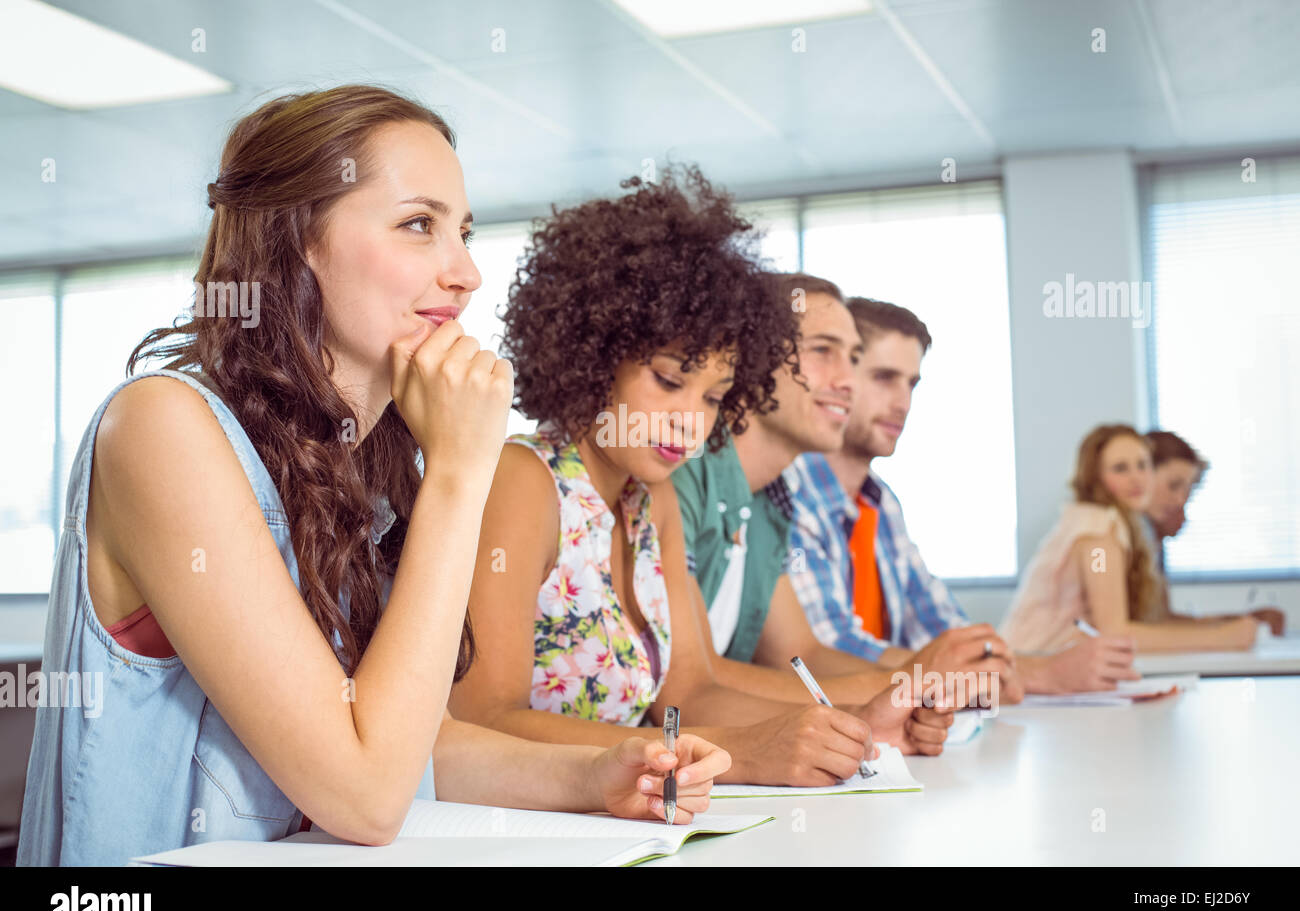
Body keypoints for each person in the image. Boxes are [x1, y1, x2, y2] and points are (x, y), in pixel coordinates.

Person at [17, 86, 729, 867]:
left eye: (462, 232)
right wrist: (461, 474)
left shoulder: (374, 463)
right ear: (298, 244)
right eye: (418, 225)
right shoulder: (161, 427)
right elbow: (364, 795)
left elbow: (412, 749)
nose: (465, 274)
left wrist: (594, 775)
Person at [452, 201, 952, 788]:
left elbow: (689, 692)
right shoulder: (522, 479)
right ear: (594, 358)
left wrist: (853, 725)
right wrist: (739, 750)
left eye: (713, 397)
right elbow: (483, 720)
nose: (691, 422)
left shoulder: (651, 499)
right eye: (669, 380)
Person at [668, 275, 1019, 710]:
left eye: (853, 358)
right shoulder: (680, 470)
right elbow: (693, 683)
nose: (848, 381)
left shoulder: (767, 498)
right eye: (822, 351)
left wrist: (913, 686)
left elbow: (802, 654)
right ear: (753, 355)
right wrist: (910, 686)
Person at [787, 297, 1116, 695]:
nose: (903, 403)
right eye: (884, 377)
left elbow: (942, 627)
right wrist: (1028, 674)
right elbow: (826, 651)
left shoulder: (881, 502)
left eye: (911, 384)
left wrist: (997, 665)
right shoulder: (791, 492)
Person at [1000, 424, 1257, 657]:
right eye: (1120, 469)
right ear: (1096, 477)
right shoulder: (1097, 536)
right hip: (1027, 667)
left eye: (1142, 465)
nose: (1136, 478)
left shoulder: (1107, 525)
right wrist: (1220, 638)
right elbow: (1113, 631)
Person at [1144, 430, 1285, 634]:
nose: (1181, 501)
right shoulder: (1101, 542)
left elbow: (1159, 620)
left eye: (1187, 491)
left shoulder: (1147, 541)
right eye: (1174, 486)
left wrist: (1238, 622)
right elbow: (1116, 627)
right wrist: (1227, 635)